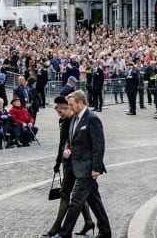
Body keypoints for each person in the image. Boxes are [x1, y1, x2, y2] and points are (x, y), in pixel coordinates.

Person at [51, 90, 110, 238]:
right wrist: (67, 149)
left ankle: (64, 234)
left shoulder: (92, 119)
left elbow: (99, 145)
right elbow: (70, 141)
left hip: (88, 168)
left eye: (71, 104)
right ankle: (105, 231)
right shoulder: (74, 119)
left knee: (76, 200)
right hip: (76, 166)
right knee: (94, 201)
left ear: (80, 102)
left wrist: (96, 168)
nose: (69, 107)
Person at [46, 96, 93, 237]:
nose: (59, 115)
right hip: (66, 161)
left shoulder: (75, 121)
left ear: (68, 108)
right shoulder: (64, 121)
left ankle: (56, 227)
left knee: (66, 193)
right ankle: (89, 221)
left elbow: (75, 141)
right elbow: (62, 142)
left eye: (61, 112)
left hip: (75, 162)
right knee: (78, 194)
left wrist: (68, 151)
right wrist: (58, 161)